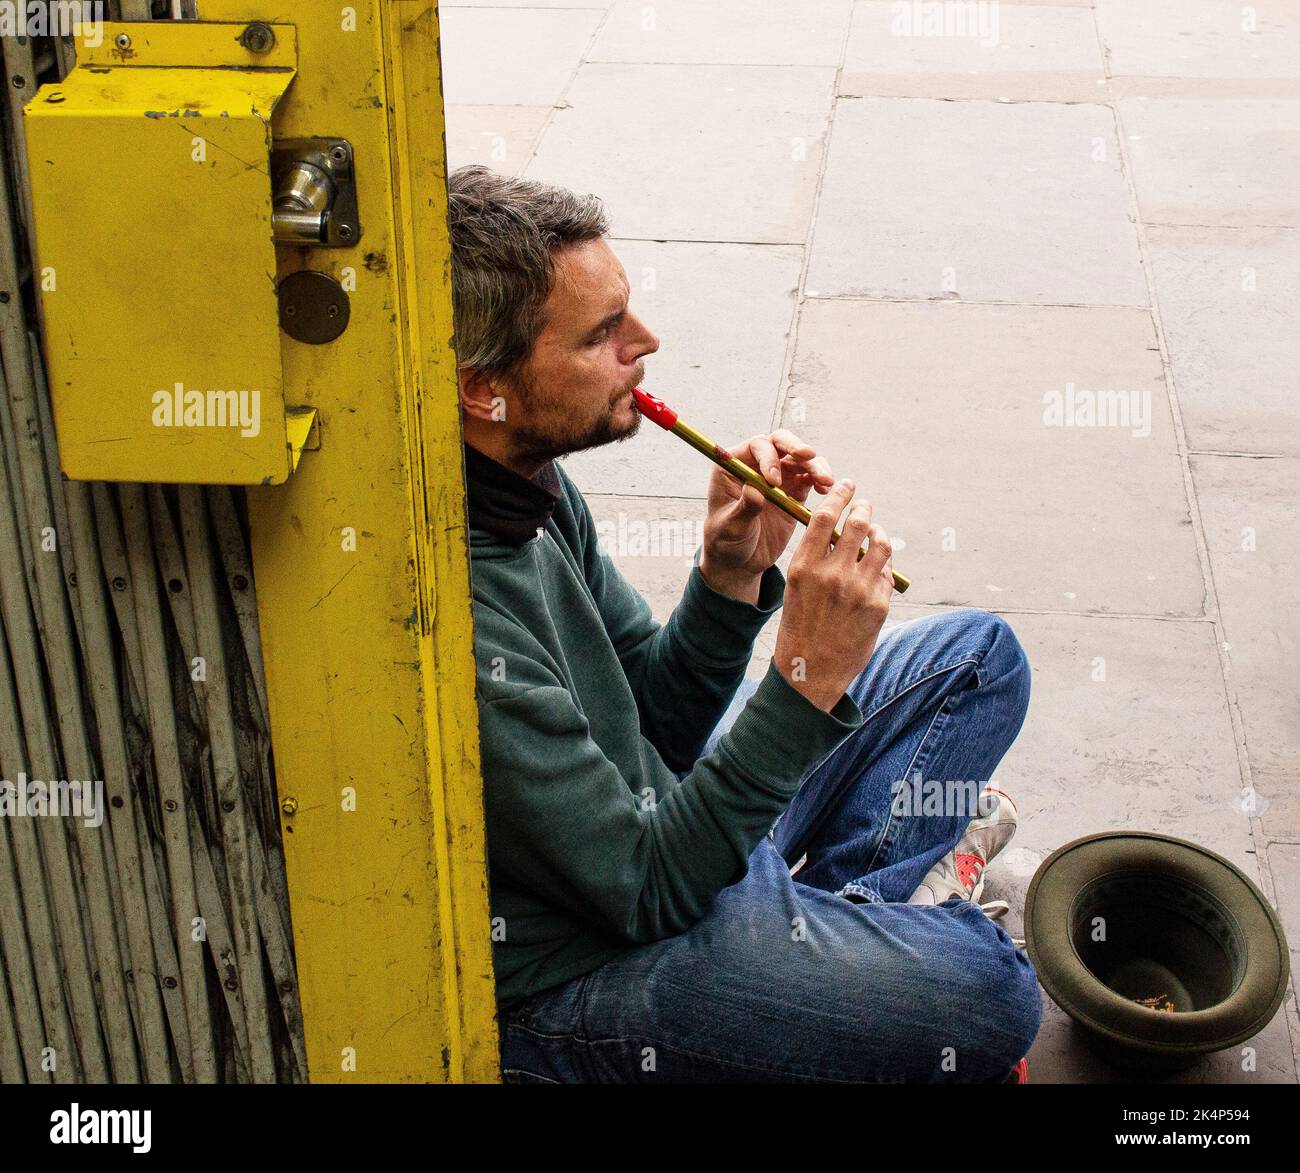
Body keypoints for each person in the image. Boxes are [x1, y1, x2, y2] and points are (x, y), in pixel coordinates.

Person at [449, 164, 1041, 1083]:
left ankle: (830, 945)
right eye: (605, 336)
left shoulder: (523, 476)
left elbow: (655, 717)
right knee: (995, 990)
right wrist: (804, 676)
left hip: (671, 833)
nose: (646, 342)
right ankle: (838, 964)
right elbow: (646, 885)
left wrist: (730, 576)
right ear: (483, 390)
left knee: (977, 659)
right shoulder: (456, 617)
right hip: (593, 963)